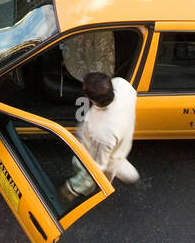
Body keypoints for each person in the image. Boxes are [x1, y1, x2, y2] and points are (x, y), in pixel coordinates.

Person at [59, 72, 139, 203]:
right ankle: (132, 177)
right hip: (121, 140)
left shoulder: (103, 132)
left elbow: (96, 166)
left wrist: (72, 188)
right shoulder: (123, 85)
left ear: (93, 100)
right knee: (118, 158)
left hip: (95, 151)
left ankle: (88, 190)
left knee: (94, 168)